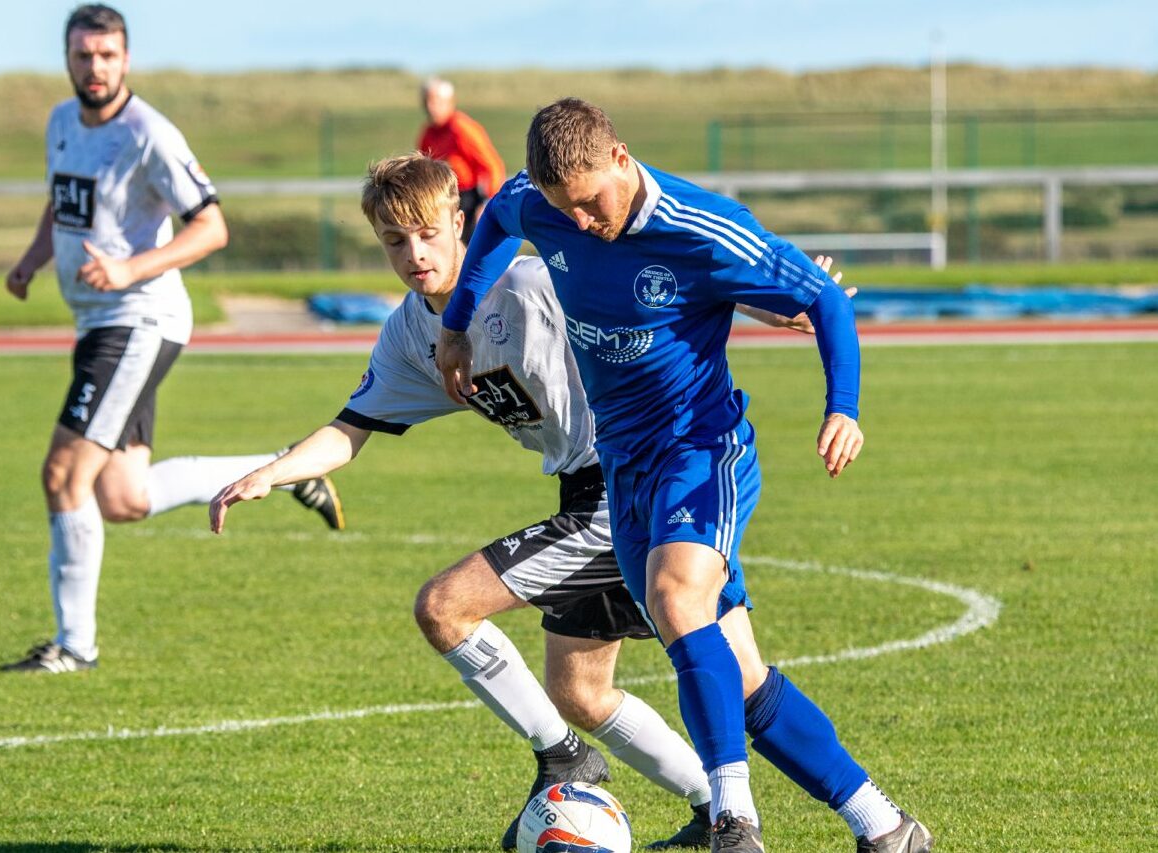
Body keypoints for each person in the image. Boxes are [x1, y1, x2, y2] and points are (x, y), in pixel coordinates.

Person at [210, 154, 824, 851]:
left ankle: (567, 758)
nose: (414, 254)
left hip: (625, 485)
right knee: (581, 694)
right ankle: (715, 813)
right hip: (584, 490)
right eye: (393, 240)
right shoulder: (411, 332)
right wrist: (274, 470)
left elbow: (648, 283)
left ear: (461, 224)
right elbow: (353, 426)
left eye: (427, 233)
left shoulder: (529, 281)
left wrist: (764, 302)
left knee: (444, 605)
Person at [435, 99, 932, 853]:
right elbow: (497, 227)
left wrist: (843, 407)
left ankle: (734, 821)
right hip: (623, 467)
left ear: (622, 158)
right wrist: (454, 326)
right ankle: (884, 825)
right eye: (563, 208)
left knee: (673, 597)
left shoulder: (702, 227)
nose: (582, 221)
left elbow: (822, 296)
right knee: (739, 676)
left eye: (592, 200)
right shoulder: (537, 203)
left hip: (702, 450)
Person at [0, 4, 343, 674]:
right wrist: (32, 258)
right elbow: (60, 203)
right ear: (67, 58)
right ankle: (284, 466)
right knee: (121, 495)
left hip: (137, 319)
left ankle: (74, 647)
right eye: (82, 55)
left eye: (106, 55)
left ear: (125, 59)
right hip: (98, 322)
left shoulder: (149, 134)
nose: (94, 67)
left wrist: (129, 266)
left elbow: (211, 227)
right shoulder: (61, 123)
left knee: (63, 474)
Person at [417, 77, 506, 243]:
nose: (430, 107)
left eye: (435, 101)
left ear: (449, 102)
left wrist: (488, 203)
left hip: (468, 200)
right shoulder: (428, 133)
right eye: (427, 102)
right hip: (442, 200)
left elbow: (492, 166)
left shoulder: (461, 128)